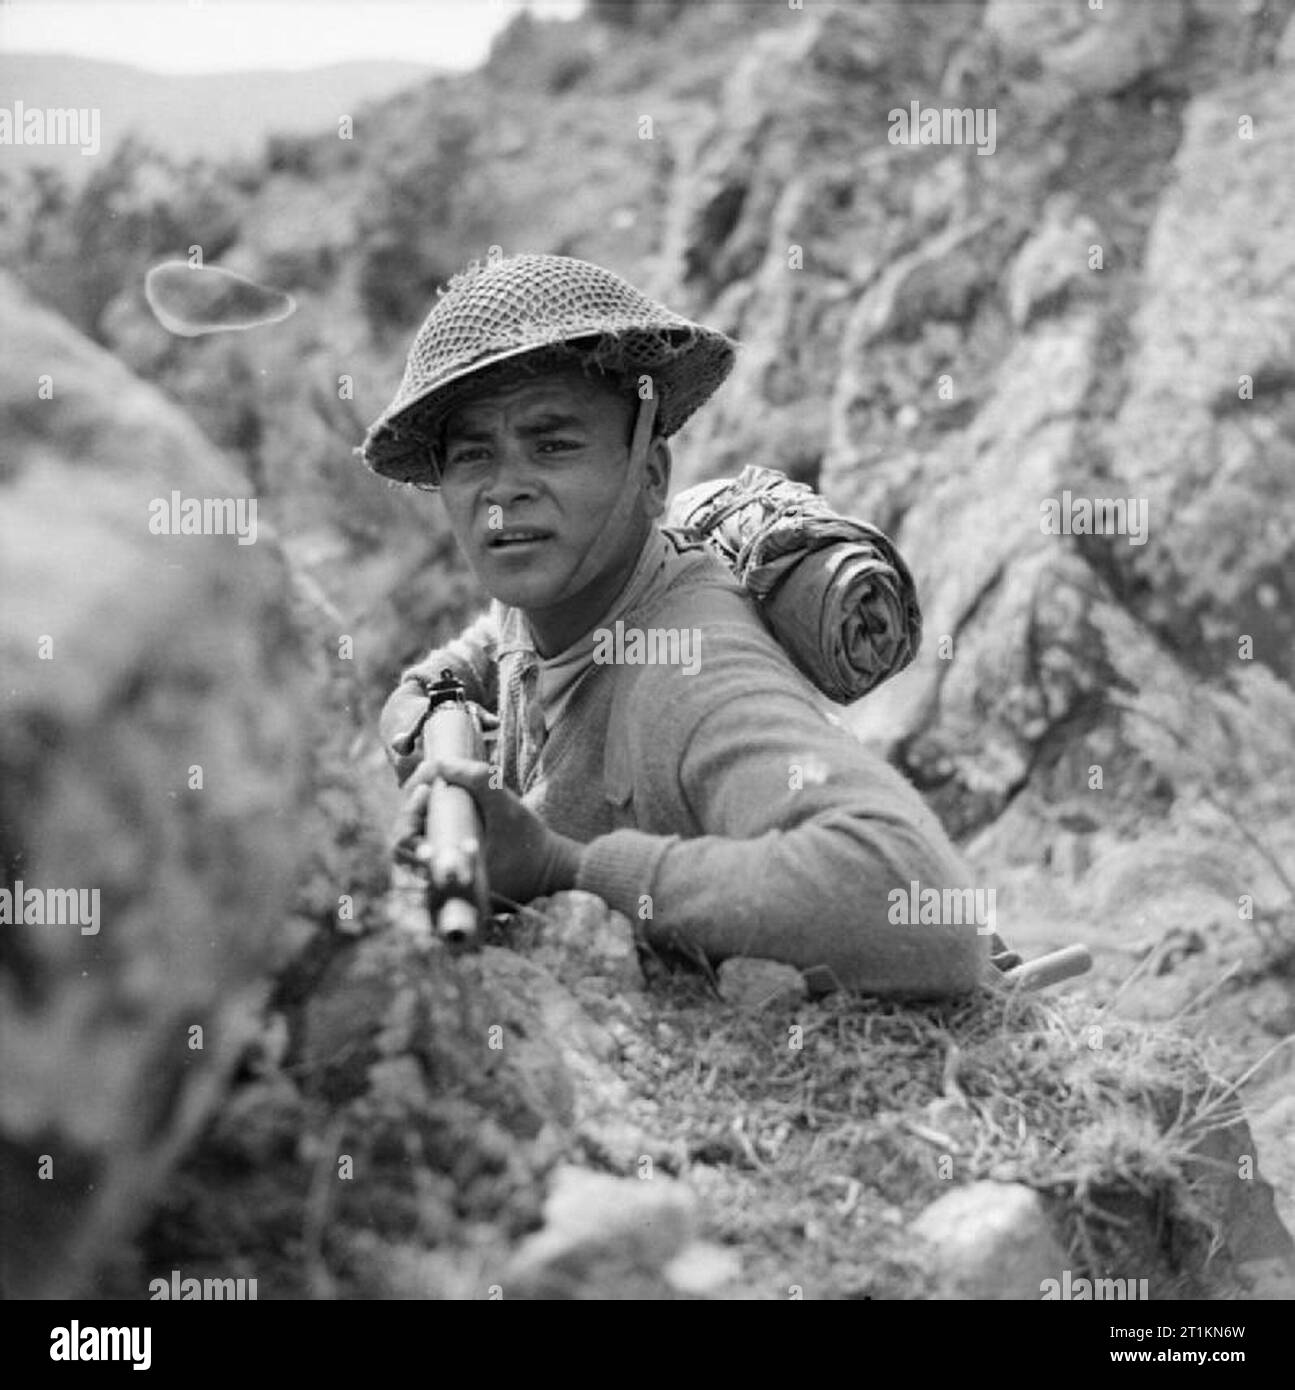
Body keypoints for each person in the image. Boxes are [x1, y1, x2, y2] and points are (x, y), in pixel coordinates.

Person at [361, 253, 990, 996]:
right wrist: (428, 698)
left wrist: (563, 868)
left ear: (650, 476)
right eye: (473, 456)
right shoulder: (550, 585)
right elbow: (481, 652)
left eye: (554, 445)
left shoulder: (688, 678)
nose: (505, 492)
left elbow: (917, 905)